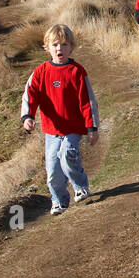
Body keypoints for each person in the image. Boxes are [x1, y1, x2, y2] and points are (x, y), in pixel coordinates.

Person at [20, 23, 100, 215]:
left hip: (73, 127)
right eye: (55, 44)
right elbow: (30, 95)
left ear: (71, 47)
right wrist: (28, 116)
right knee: (53, 171)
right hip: (51, 130)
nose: (59, 49)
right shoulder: (40, 72)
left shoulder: (77, 72)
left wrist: (92, 127)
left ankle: (80, 186)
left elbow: (88, 102)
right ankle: (59, 200)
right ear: (47, 47)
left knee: (68, 155)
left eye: (64, 45)